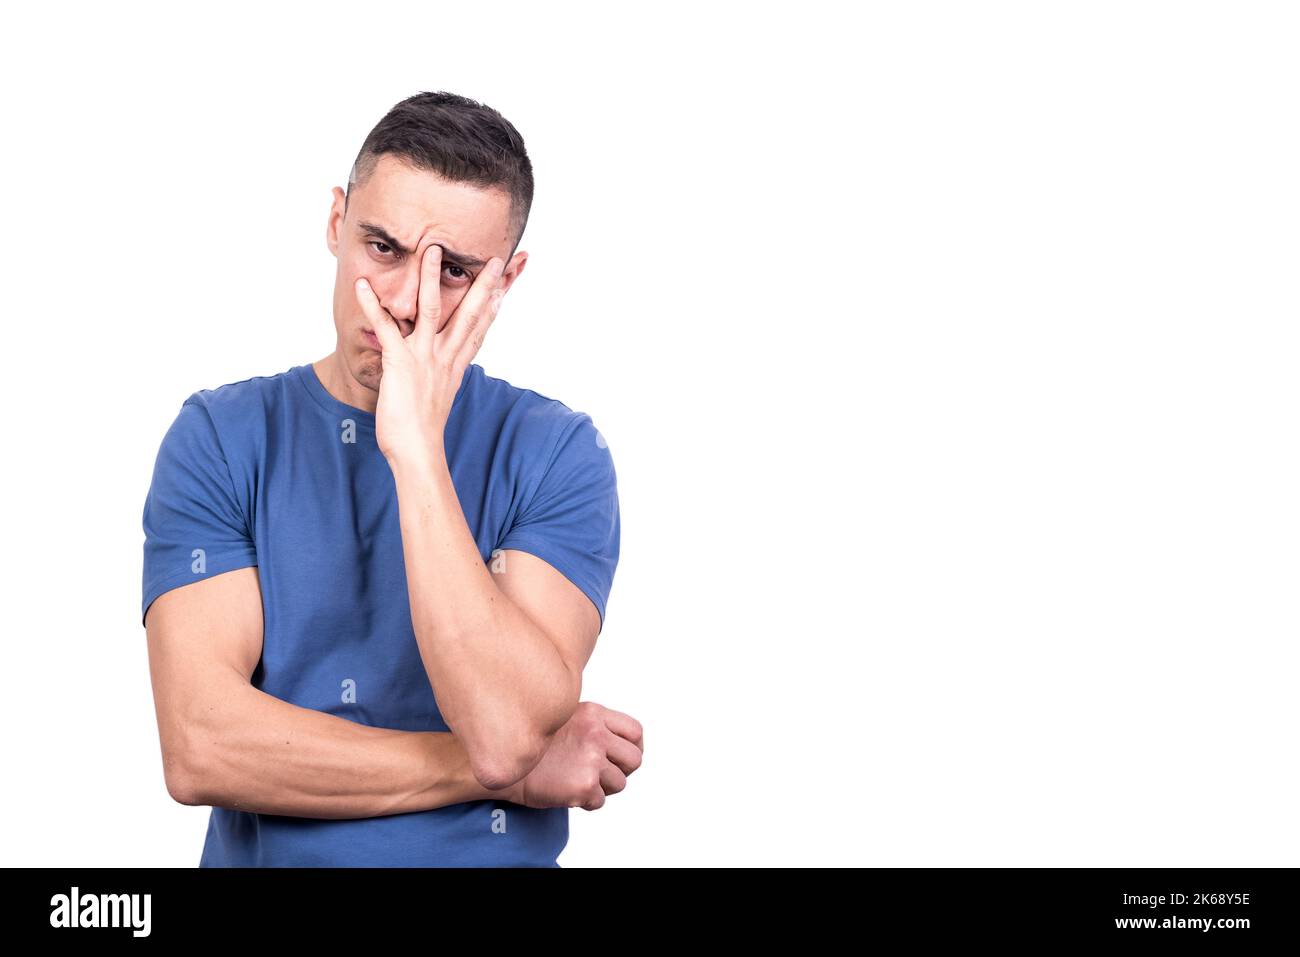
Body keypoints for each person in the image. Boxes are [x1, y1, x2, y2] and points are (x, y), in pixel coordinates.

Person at [141, 91, 643, 867]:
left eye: (456, 273)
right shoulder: (220, 437)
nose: (408, 303)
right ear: (336, 222)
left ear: (504, 280)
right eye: (383, 247)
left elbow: (505, 726)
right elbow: (202, 747)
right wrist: (491, 773)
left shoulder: (557, 453)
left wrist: (415, 451)